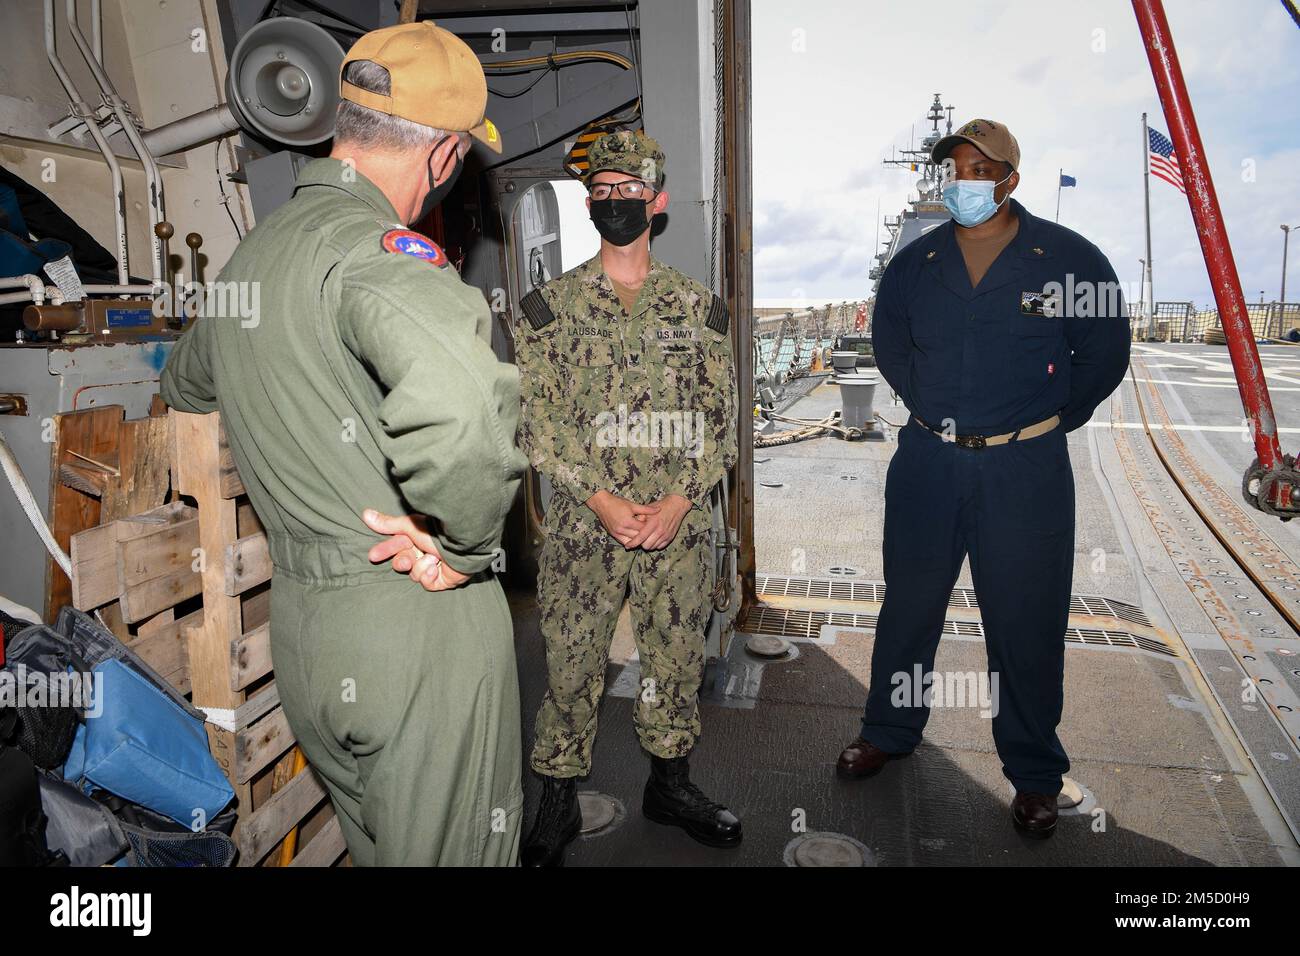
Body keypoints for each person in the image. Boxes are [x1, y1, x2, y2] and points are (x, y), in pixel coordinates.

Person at [159, 22, 528, 865]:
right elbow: (466, 409)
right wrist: (465, 547)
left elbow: (184, 386)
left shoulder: (254, 260)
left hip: (309, 637)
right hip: (415, 625)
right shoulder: (382, 253)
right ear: (442, 156)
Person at [835, 118, 1130, 838]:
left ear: (1009, 179)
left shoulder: (1070, 262)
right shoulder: (917, 263)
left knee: (1025, 623)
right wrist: (935, 412)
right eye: (955, 168)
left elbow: (1105, 351)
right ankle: (889, 729)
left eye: (978, 168)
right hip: (929, 464)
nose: (962, 179)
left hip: (1024, 470)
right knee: (908, 607)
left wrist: (1048, 418)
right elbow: (891, 347)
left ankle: (1034, 775)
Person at [514, 130, 741, 865]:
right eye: (603, 193)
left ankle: (670, 786)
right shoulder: (547, 308)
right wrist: (601, 497)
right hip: (587, 522)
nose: (615, 203)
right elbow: (535, 422)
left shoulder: (698, 307)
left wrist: (679, 500)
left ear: (658, 203)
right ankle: (557, 797)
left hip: (676, 525)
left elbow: (723, 422)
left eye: (629, 193)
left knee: (675, 657)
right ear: (589, 205)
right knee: (571, 661)